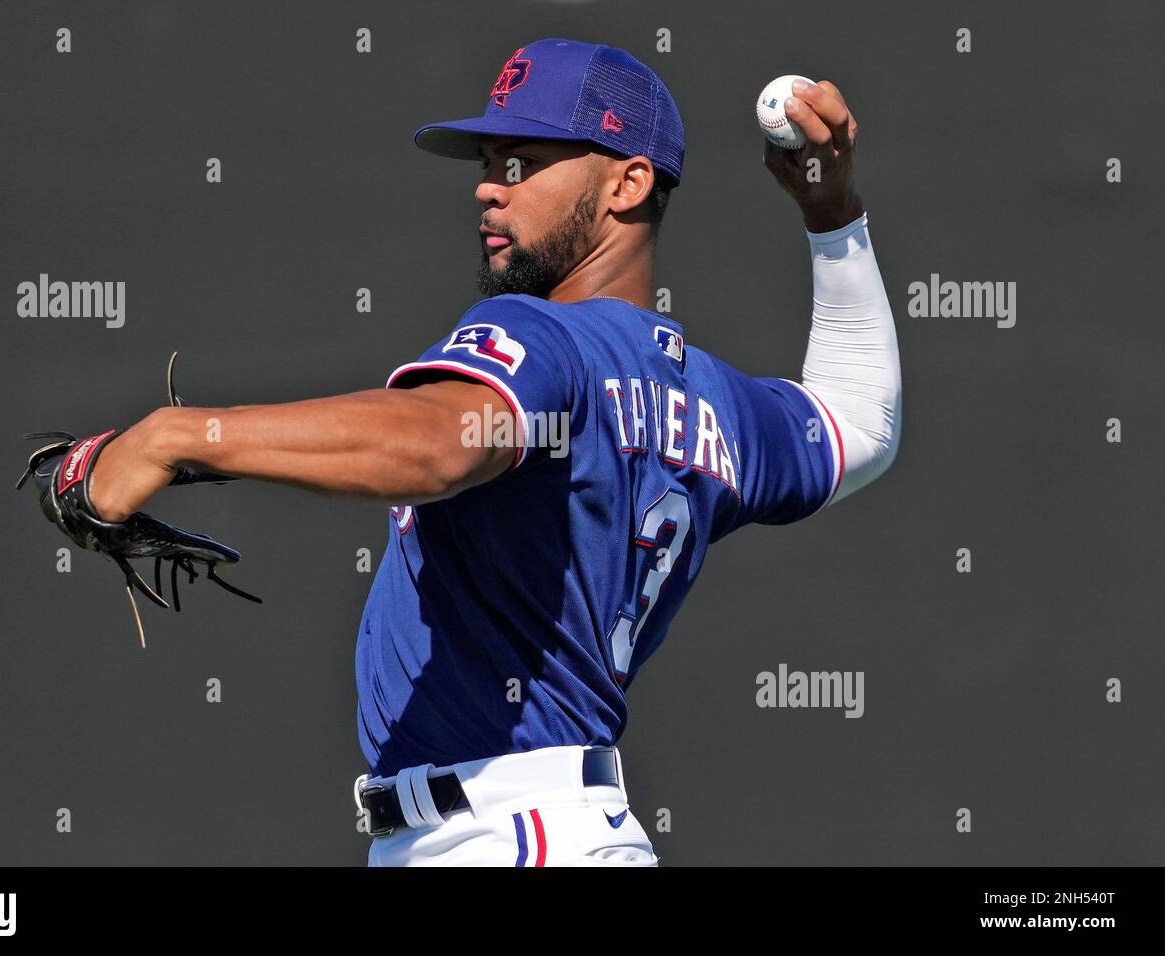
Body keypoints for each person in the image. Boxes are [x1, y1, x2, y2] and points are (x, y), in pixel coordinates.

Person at [84, 38, 902, 866]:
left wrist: (184, 436)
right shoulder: (714, 401)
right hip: (543, 829)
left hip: (509, 835)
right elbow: (859, 423)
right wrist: (833, 218)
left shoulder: (540, 333)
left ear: (629, 182)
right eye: (488, 159)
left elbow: (441, 445)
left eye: (522, 161)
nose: (487, 185)